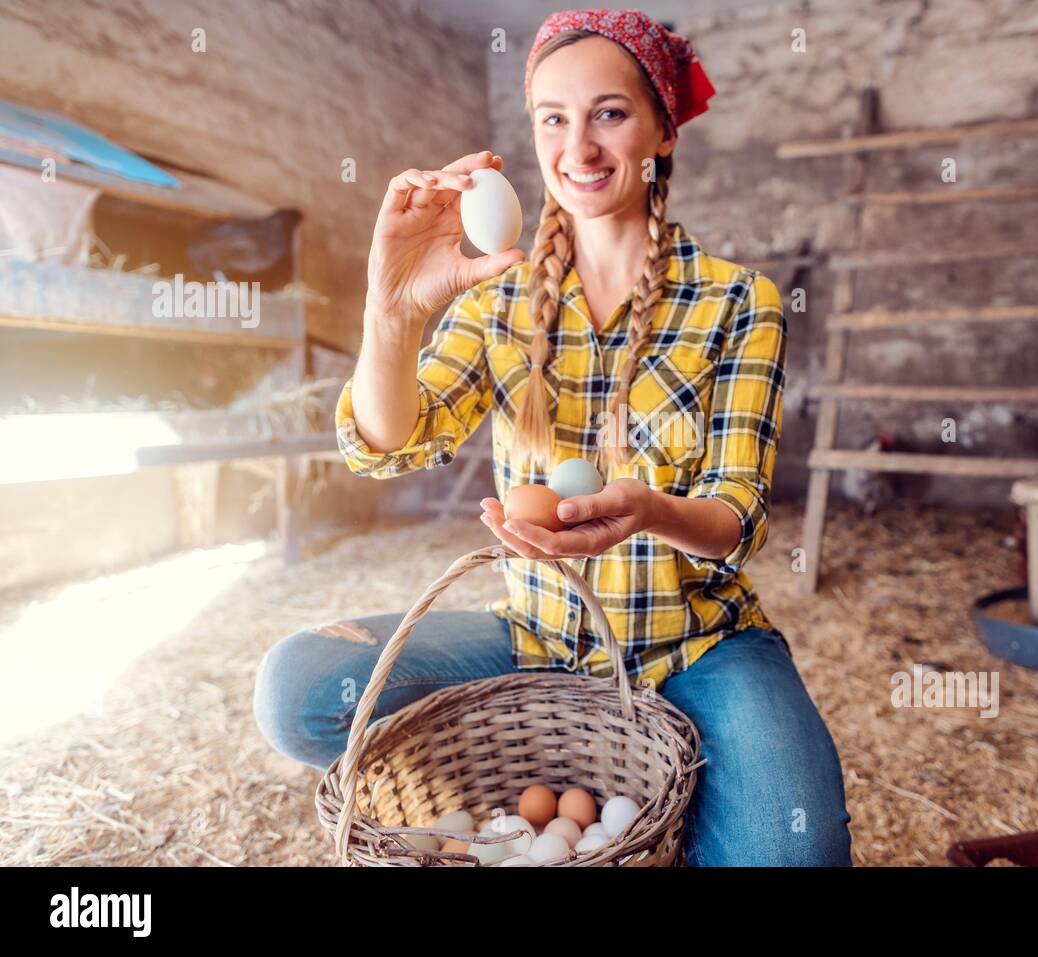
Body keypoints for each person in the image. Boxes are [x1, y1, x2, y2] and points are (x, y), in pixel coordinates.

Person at [254, 8, 852, 867]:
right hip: (536, 636)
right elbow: (388, 445)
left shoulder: (736, 301)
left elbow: (738, 519)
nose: (580, 146)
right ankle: (574, 778)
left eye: (609, 113)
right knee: (299, 689)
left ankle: (663, 788)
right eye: (553, 118)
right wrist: (391, 311)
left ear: (661, 131)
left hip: (700, 646)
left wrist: (647, 510)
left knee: (797, 855)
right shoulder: (498, 300)